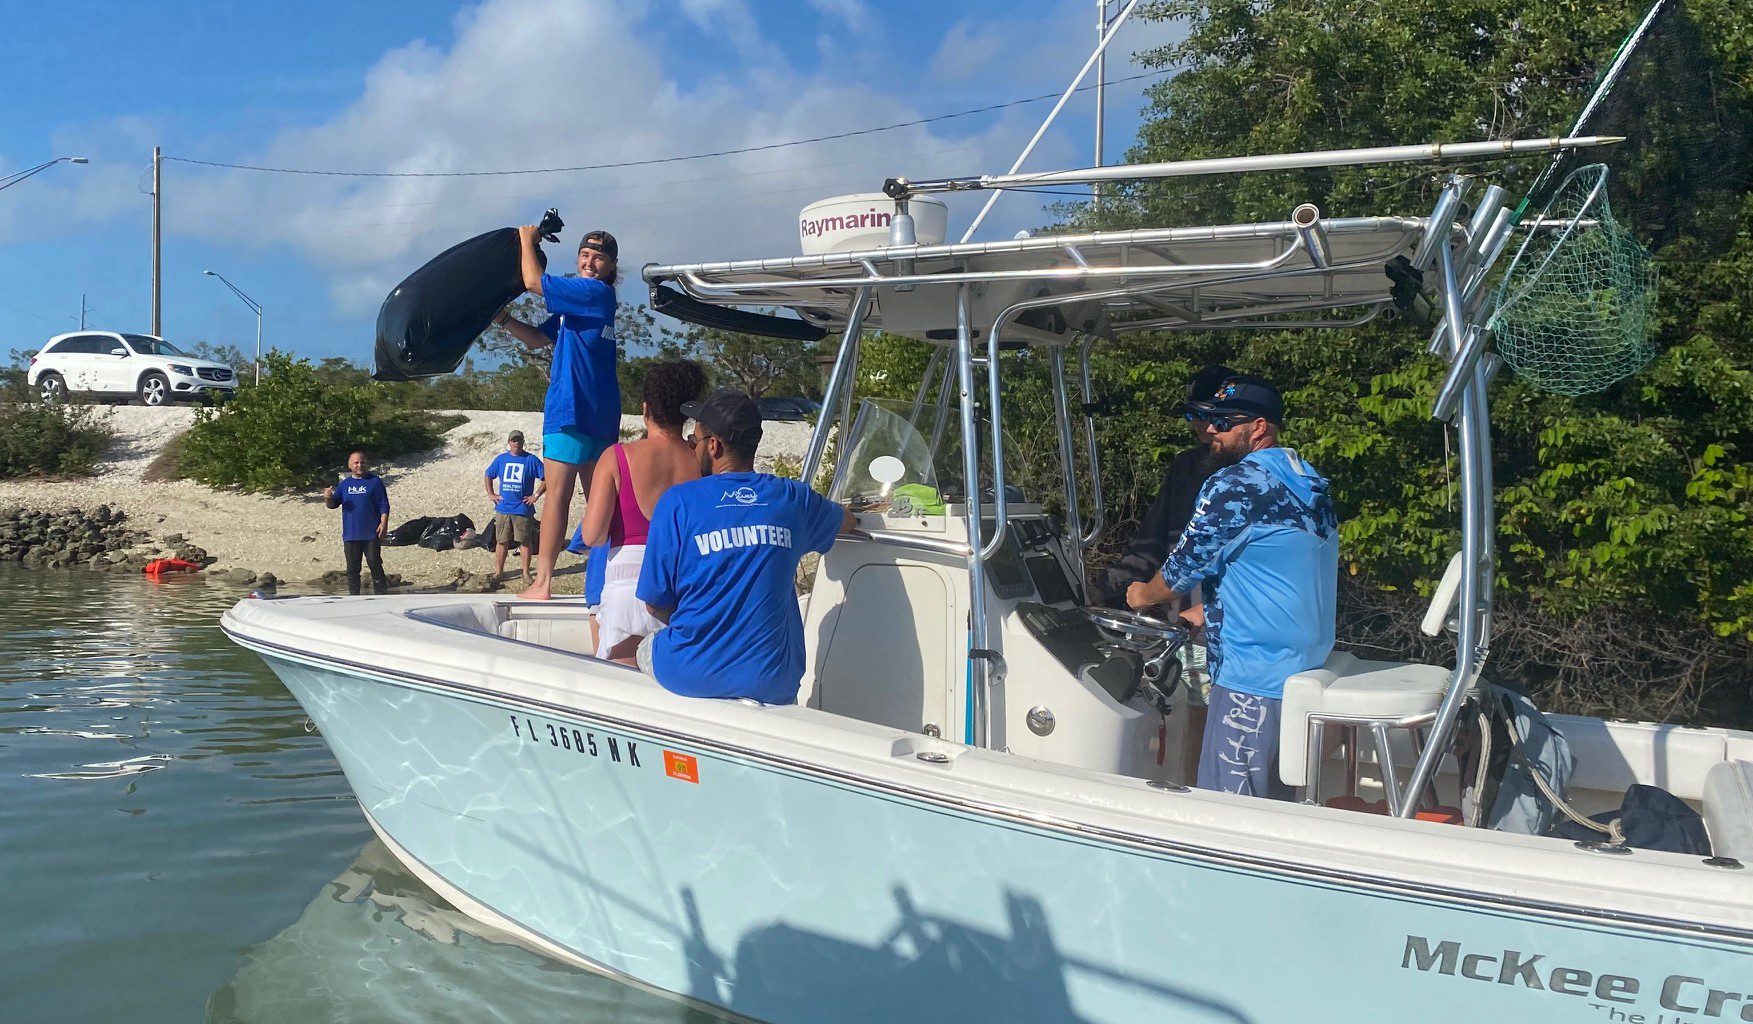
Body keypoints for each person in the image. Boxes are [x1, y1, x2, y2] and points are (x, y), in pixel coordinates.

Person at [1126, 374, 1338, 800]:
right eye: (1205, 419)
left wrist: (1139, 595)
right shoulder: (1308, 482)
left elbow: (1179, 573)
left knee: (1227, 814)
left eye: (1222, 422)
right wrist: (1211, 610)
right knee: (1275, 810)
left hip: (1251, 681)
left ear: (1259, 427)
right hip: (1302, 672)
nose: (1208, 430)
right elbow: (1283, 564)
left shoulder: (1237, 484)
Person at [635, 388, 858, 703]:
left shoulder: (678, 502)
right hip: (771, 680)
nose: (691, 448)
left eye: (693, 441)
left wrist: (707, 633)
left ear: (714, 446)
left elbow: (655, 603)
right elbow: (846, 521)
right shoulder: (792, 498)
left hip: (690, 672)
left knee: (644, 647)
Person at [1089, 363, 1234, 780]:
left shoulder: (1259, 482)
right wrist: (1103, 589)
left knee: (1221, 736)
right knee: (1196, 720)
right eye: (1196, 416)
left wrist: (1205, 610)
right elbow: (1150, 545)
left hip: (1232, 633)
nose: (1205, 428)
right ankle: (1193, 806)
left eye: (1214, 418)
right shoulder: (1186, 467)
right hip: (1184, 632)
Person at [492, 226, 622, 600]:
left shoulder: (596, 292)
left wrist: (524, 239)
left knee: (565, 498)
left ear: (611, 267)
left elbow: (534, 281)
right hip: (595, 412)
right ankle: (597, 583)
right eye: (585, 255)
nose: (590, 262)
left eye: (599, 258)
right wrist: (501, 319)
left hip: (572, 409)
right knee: (596, 501)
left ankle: (544, 583)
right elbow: (536, 339)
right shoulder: (577, 306)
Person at [576, 361, 706, 663]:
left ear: (645, 409)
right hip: (681, 586)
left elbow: (593, 535)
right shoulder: (699, 462)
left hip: (627, 585)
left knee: (623, 690)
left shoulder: (617, 456)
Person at [324, 450, 391, 596]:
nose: (359, 465)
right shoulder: (345, 485)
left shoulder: (375, 482)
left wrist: (384, 523)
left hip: (371, 533)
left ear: (366, 463)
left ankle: (383, 596)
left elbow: (383, 504)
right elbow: (333, 505)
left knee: (375, 564)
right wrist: (328, 497)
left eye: (362, 462)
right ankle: (353, 597)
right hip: (351, 534)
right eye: (356, 462)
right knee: (352, 570)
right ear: (350, 465)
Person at [483, 430, 546, 583]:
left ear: (523, 441)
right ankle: (499, 572)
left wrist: (536, 495)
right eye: (513, 440)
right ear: (509, 442)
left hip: (522, 509)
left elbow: (547, 478)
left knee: (524, 541)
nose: (516, 443)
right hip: (503, 508)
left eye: (518, 440)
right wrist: (491, 494)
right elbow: (488, 475)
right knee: (501, 541)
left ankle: (525, 573)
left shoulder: (531, 460)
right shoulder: (501, 459)